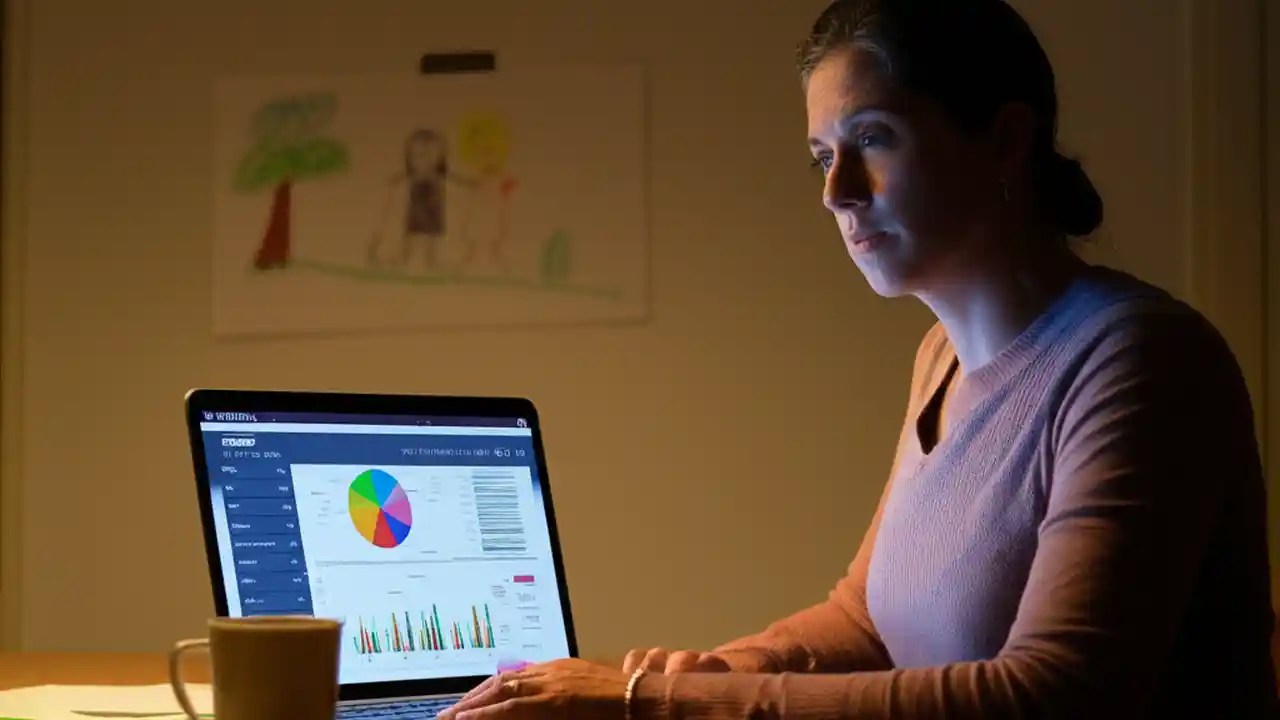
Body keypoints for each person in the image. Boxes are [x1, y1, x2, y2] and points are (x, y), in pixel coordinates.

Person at [436, 0, 1279, 717]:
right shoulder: (939, 356)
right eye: (821, 156)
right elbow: (866, 619)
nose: (836, 191)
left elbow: (1055, 693)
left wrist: (650, 703)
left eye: (873, 139)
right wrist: (705, 669)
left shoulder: (1142, 361)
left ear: (1005, 140)